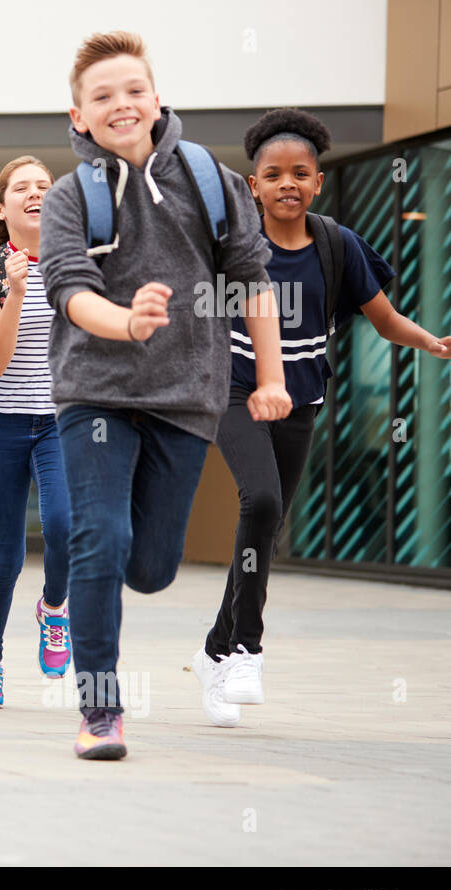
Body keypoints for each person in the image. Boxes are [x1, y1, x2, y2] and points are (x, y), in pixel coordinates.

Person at [38, 32, 292, 758]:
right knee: (101, 538)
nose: (121, 104)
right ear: (79, 116)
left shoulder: (210, 179)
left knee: (149, 568)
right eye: (102, 96)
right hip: (96, 394)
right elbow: (70, 294)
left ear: (156, 97)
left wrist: (270, 379)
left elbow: (251, 280)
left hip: (187, 399)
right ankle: (99, 709)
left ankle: (91, 585)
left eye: (133, 90)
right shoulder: (68, 197)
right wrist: (127, 321)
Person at [196, 108, 451, 726]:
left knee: (268, 523)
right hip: (234, 393)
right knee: (260, 502)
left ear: (316, 183)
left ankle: (213, 653)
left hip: (303, 402)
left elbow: (384, 319)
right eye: (274, 173)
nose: (288, 183)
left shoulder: (338, 245)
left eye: (301, 173)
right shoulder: (231, 248)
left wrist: (434, 343)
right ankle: (246, 649)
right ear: (252, 185)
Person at [0, 156, 71, 707]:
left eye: (45, 186)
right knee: (2, 554)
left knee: (64, 523)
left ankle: (54, 608)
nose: (35, 193)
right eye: (21, 188)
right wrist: (20, 293)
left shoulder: (80, 263)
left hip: (60, 420)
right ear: (1, 208)